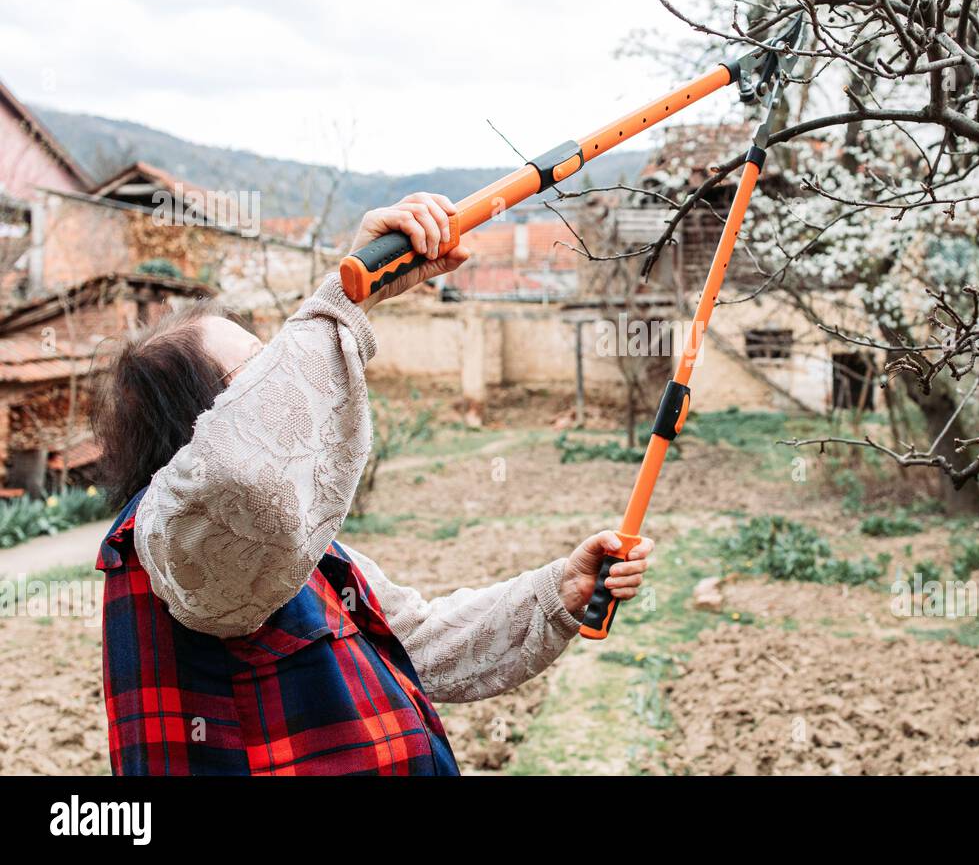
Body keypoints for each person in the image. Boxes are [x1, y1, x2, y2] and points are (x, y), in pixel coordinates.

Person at [90, 193, 654, 775]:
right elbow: (243, 469)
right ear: (201, 423)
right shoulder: (178, 543)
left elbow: (423, 641)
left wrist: (557, 591)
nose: (280, 375)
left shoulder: (294, 553)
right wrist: (346, 295)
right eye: (257, 369)